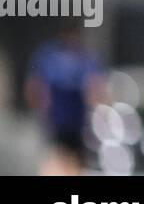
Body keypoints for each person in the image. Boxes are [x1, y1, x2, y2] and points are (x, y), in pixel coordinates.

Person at [25, 26, 105, 175]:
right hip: (56, 121)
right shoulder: (50, 56)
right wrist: (40, 108)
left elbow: (95, 87)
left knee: (76, 163)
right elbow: (34, 85)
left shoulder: (85, 59)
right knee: (56, 160)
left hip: (77, 123)